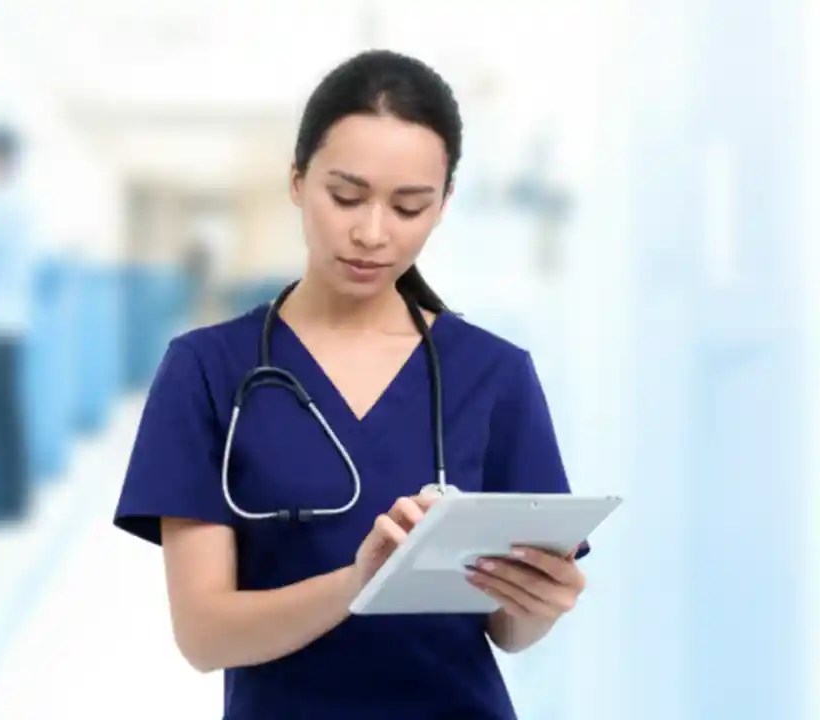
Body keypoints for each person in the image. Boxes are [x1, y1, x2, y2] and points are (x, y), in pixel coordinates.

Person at [112, 50, 591, 719]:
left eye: (408, 207)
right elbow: (204, 635)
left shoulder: (495, 375)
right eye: (346, 196)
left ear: (443, 205)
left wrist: (540, 605)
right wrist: (362, 582)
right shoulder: (207, 371)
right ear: (297, 181)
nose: (372, 233)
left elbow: (508, 631)